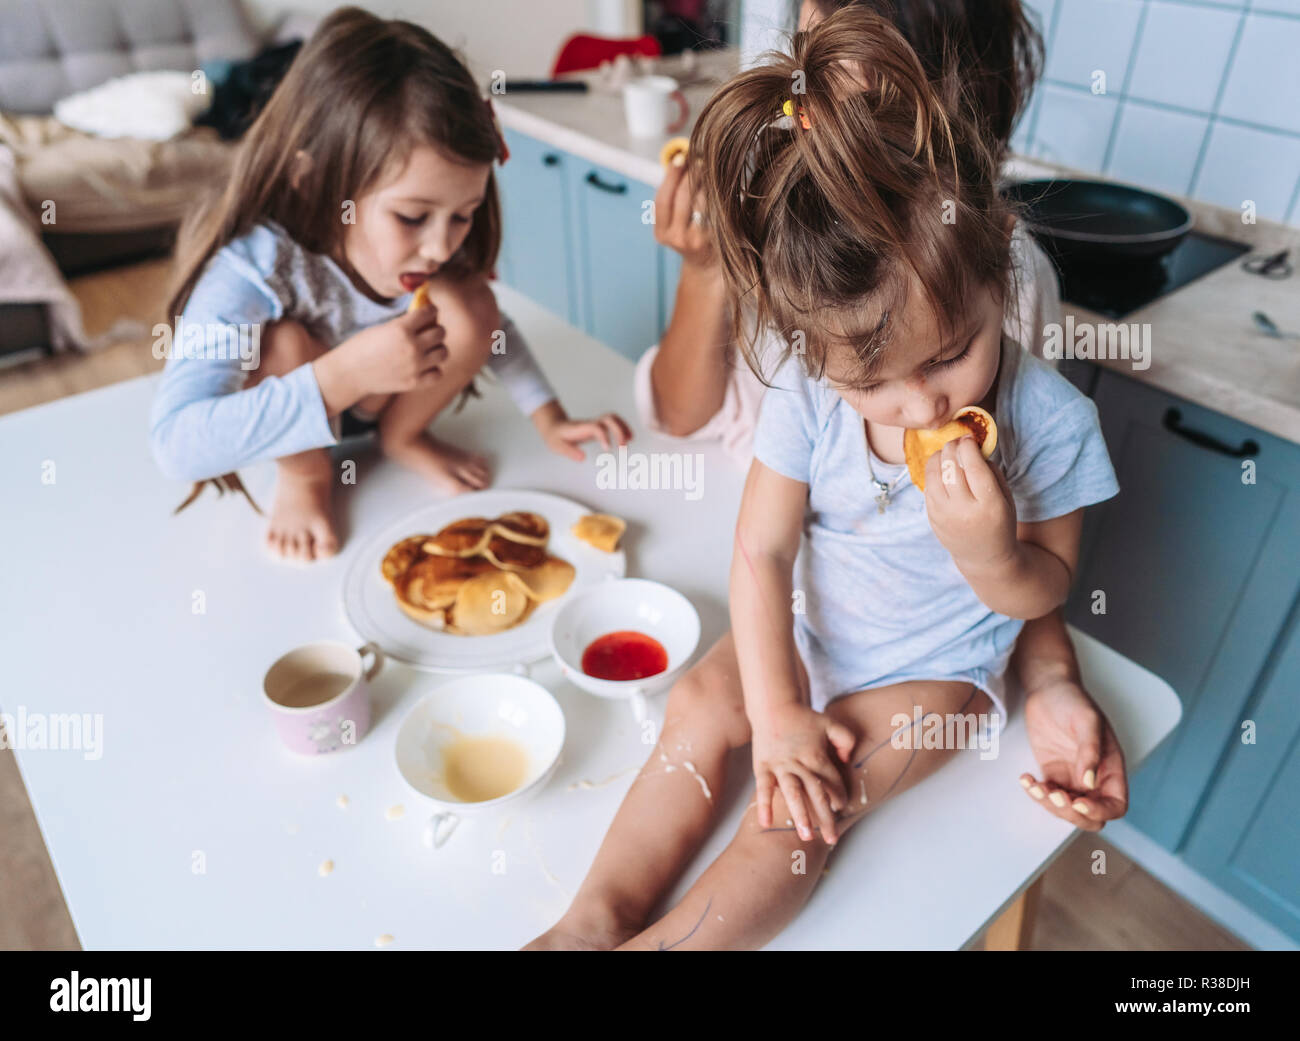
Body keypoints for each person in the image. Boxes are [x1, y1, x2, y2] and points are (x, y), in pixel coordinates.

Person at [529, 8, 1118, 950]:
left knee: (806, 804)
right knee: (698, 705)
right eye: (873, 386)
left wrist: (991, 556)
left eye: (950, 356)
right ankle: (590, 919)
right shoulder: (806, 386)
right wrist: (775, 714)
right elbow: (761, 553)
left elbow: (1047, 587)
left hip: (937, 677)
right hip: (811, 629)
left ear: (997, 256)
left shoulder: (1053, 423)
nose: (919, 406)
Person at [639, 0, 1128, 836]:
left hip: (912, 637)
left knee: (792, 817)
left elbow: (1025, 510)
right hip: (771, 583)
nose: (926, 404)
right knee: (697, 716)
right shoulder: (792, 230)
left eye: (839, 48)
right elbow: (687, 428)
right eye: (806, 36)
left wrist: (1048, 673)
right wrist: (705, 271)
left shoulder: (979, 275)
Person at [150, 7, 631, 562]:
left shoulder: (430, 251)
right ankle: (306, 476)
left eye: (463, 215)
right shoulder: (254, 268)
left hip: (389, 402)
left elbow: (492, 330)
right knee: (280, 342)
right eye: (412, 217)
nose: (441, 247)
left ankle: (402, 438)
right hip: (299, 411)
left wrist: (550, 418)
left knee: (471, 304)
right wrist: (346, 375)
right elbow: (175, 444)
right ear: (315, 182)